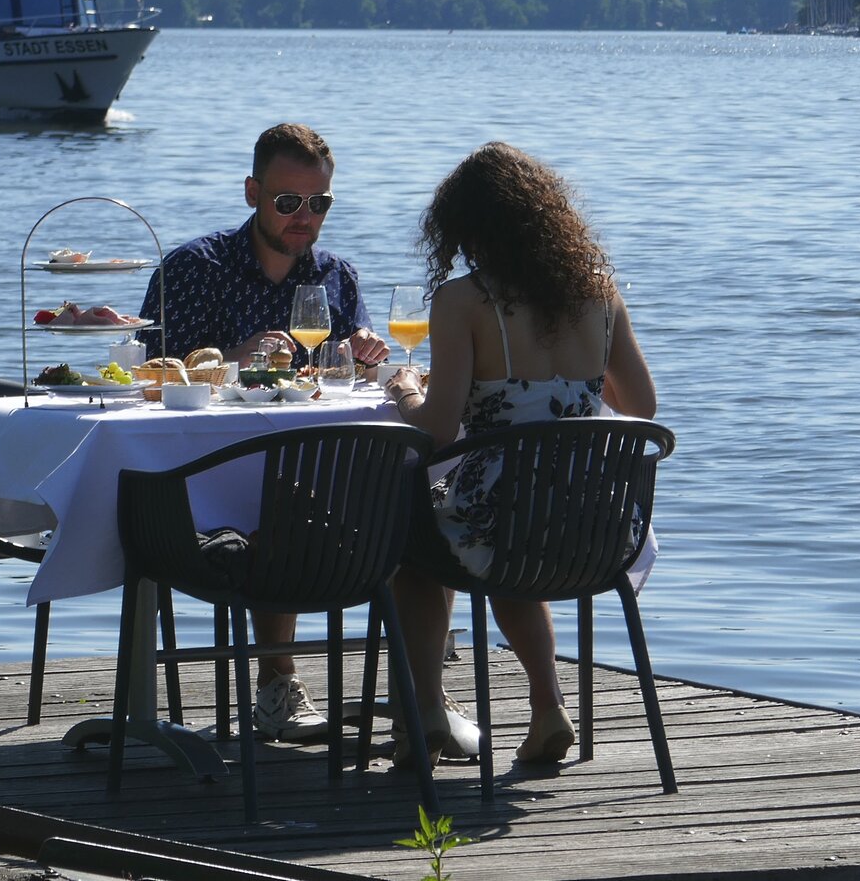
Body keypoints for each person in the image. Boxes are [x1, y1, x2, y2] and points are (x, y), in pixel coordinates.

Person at [384, 141, 657, 767]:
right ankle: (546, 708)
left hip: (502, 520)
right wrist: (578, 387)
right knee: (516, 522)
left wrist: (403, 393)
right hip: (593, 524)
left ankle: (425, 707)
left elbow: (440, 431)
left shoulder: (462, 302)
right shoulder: (598, 293)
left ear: (466, 228)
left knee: (407, 531)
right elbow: (640, 406)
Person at [137, 122, 393, 742]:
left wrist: (363, 353)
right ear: (252, 193)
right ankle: (278, 686)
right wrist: (232, 357)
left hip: (311, 474)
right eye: (287, 201)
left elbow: (347, 374)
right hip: (194, 480)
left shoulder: (337, 276)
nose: (303, 216)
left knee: (399, 496)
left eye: (319, 203)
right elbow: (151, 377)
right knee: (284, 503)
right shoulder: (194, 268)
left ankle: (421, 697)